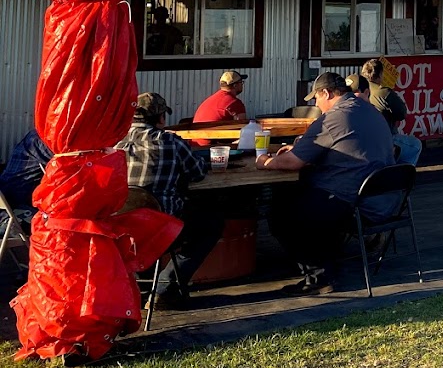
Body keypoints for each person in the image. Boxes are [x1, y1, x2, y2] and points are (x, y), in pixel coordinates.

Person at [258, 72, 395, 295]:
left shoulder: (334, 117)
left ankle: (318, 277)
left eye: (316, 98)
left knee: (281, 213)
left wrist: (264, 161)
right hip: (384, 197)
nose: (317, 104)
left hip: (350, 199)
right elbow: (346, 144)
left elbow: (292, 163)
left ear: (326, 93)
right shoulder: (368, 109)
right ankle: (326, 260)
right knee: (299, 198)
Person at [116, 92, 225, 308]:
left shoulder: (112, 142)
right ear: (160, 118)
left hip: (117, 229)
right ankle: (165, 288)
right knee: (211, 224)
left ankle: (139, 290)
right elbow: (197, 173)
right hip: (160, 227)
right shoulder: (170, 142)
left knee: (139, 227)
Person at [361, 58, 422, 165]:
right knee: (416, 145)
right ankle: (402, 174)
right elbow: (401, 113)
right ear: (380, 74)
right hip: (385, 137)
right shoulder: (383, 92)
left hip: (361, 137)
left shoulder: (356, 91)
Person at [0, 128, 53, 212]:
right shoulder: (45, 139)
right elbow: (71, 164)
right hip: (20, 206)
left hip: (10, 198)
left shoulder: (40, 134)